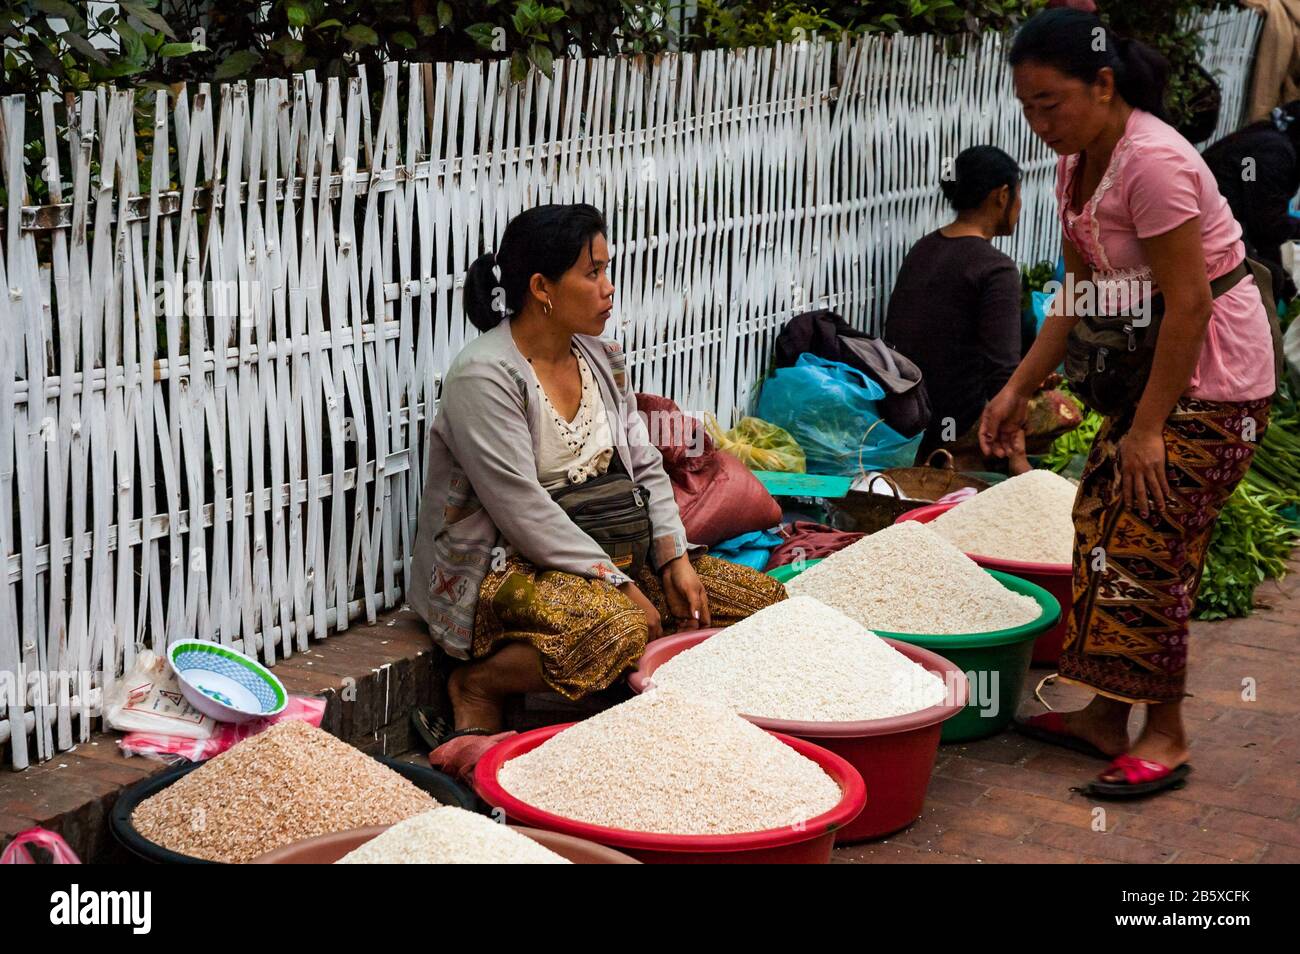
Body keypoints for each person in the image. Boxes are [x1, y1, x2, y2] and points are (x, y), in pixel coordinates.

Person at [984, 9, 1277, 798]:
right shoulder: (1076, 162)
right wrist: (1017, 386)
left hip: (1216, 377)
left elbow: (1189, 305)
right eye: (1028, 110)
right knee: (1100, 525)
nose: (1040, 124)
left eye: (1051, 104)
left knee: (1149, 546)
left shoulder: (1153, 162)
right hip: (1154, 372)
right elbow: (1079, 290)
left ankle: (1169, 734)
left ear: (1103, 84)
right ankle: (1105, 719)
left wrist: (1149, 430)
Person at [407, 203, 786, 746]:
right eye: (593, 272)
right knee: (622, 628)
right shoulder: (484, 375)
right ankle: (479, 685)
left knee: (760, 607)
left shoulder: (600, 357)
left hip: (612, 546)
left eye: (607, 269)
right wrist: (617, 582)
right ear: (542, 287)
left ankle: (634, 705)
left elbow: (646, 465)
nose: (609, 287)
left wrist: (674, 556)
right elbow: (521, 510)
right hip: (508, 565)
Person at [884, 145, 1031, 474]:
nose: (1020, 207)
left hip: (904, 414)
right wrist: (1018, 457)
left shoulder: (923, 248)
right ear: (1002, 195)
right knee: (1060, 408)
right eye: (1018, 195)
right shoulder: (996, 269)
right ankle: (964, 458)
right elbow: (1002, 370)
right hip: (956, 421)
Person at [1202, 100, 1300, 299]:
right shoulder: (1273, 153)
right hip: (1208, 229)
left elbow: (1261, 219)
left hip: (1219, 222)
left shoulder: (1268, 140)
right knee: (1268, 278)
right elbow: (1268, 225)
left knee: (1273, 276)